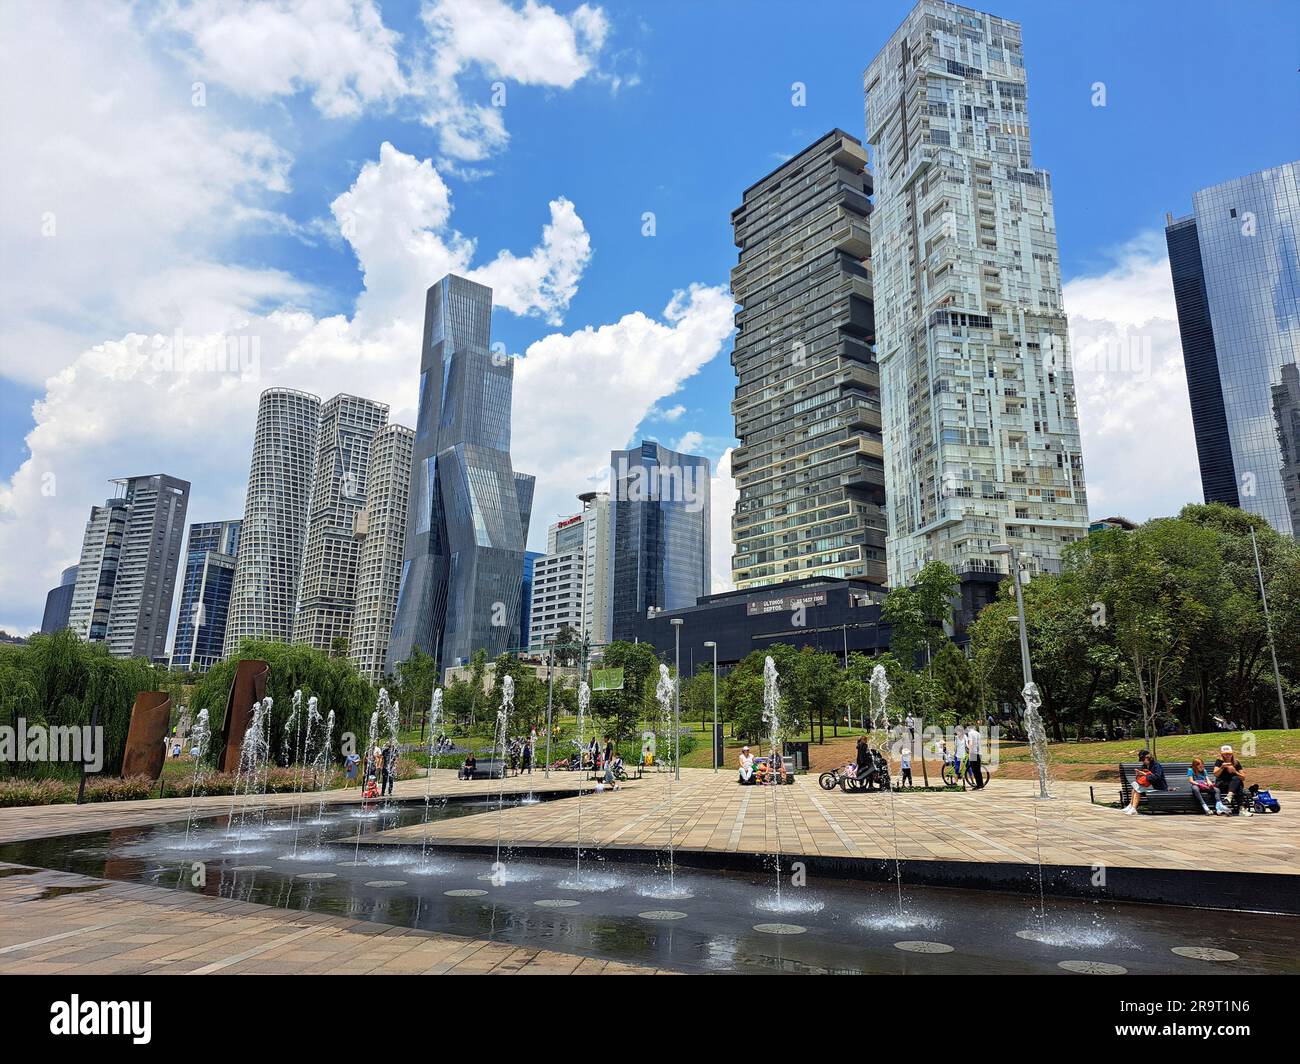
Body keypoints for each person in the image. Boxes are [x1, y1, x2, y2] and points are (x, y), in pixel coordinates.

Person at [1124, 749, 1167, 814]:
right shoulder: (1145, 766)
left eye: (1143, 760)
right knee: (1135, 787)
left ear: (1148, 757)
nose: (1143, 762)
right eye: (1142, 760)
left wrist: (1145, 774)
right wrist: (1138, 774)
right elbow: (1142, 779)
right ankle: (1131, 806)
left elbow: (1157, 777)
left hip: (1158, 788)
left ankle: (1134, 808)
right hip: (1149, 787)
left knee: (1137, 789)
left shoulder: (1156, 765)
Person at [1214, 745, 1252, 817]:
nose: (1228, 755)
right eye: (1226, 754)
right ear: (1222, 754)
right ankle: (1241, 809)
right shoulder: (1219, 762)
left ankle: (1230, 796)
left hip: (1233, 785)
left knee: (1237, 779)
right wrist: (1222, 767)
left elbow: (1243, 777)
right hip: (1222, 784)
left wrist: (1235, 771)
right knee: (1238, 785)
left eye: (1230, 754)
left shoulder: (1236, 763)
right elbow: (1216, 774)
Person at [965, 721, 984, 789]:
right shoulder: (977, 733)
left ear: (968, 727)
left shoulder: (970, 733)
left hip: (973, 753)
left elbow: (970, 743)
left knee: (974, 770)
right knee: (978, 770)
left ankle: (978, 785)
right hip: (979, 753)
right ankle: (981, 784)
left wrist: (969, 752)